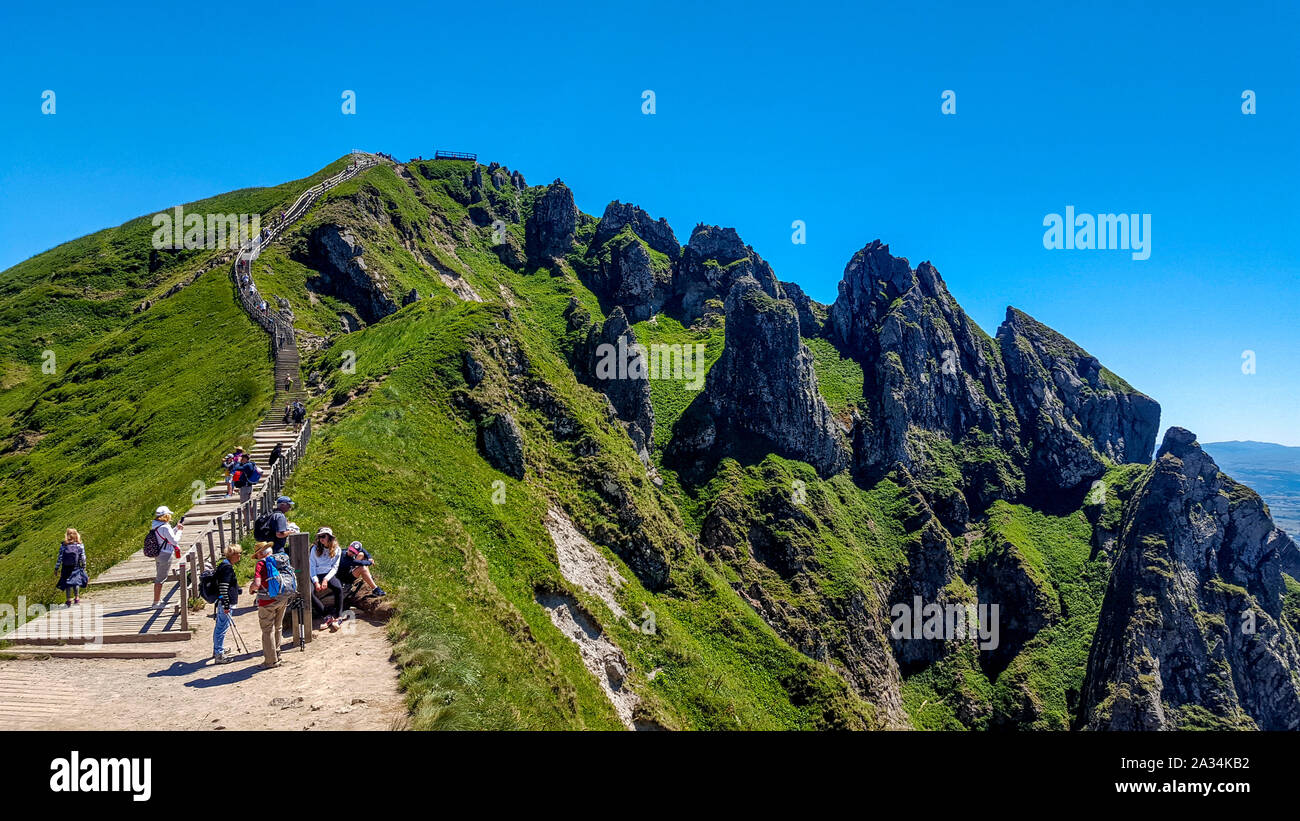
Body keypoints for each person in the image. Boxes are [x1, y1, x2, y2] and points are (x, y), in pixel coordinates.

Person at [248, 542, 286, 669]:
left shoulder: (261, 563)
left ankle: (270, 661)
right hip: (282, 598)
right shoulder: (279, 559)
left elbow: (257, 583)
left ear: (260, 553)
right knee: (278, 627)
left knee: (267, 630)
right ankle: (277, 653)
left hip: (267, 601)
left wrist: (251, 589)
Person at [309, 528, 346, 631]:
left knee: (338, 588)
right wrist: (316, 581)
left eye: (323, 536)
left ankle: (339, 616)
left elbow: (335, 567)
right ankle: (327, 615)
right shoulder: (314, 548)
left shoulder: (337, 549)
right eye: (319, 536)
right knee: (309, 593)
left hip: (328, 574)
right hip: (315, 573)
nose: (321, 539)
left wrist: (325, 580)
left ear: (329, 537)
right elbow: (311, 566)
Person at [212, 545, 242, 664]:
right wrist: (226, 604)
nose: (240, 555)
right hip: (226, 603)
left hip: (223, 602)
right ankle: (219, 654)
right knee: (222, 628)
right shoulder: (227, 568)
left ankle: (217, 650)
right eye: (238, 553)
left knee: (220, 626)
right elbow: (224, 587)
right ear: (233, 555)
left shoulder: (224, 565)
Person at [148, 507, 183, 609]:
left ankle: (157, 599)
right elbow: (174, 541)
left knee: (160, 576)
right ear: (166, 516)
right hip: (166, 554)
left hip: (158, 553)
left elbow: (166, 536)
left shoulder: (156, 526)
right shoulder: (165, 527)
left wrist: (176, 529)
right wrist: (180, 531)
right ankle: (156, 603)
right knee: (161, 578)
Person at [55, 528, 89, 607]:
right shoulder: (79, 545)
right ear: (77, 535)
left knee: (67, 583)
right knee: (76, 582)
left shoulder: (63, 545)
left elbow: (60, 557)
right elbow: (83, 557)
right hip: (76, 566)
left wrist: (56, 568)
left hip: (65, 567)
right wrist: (84, 566)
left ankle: (68, 600)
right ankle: (76, 598)